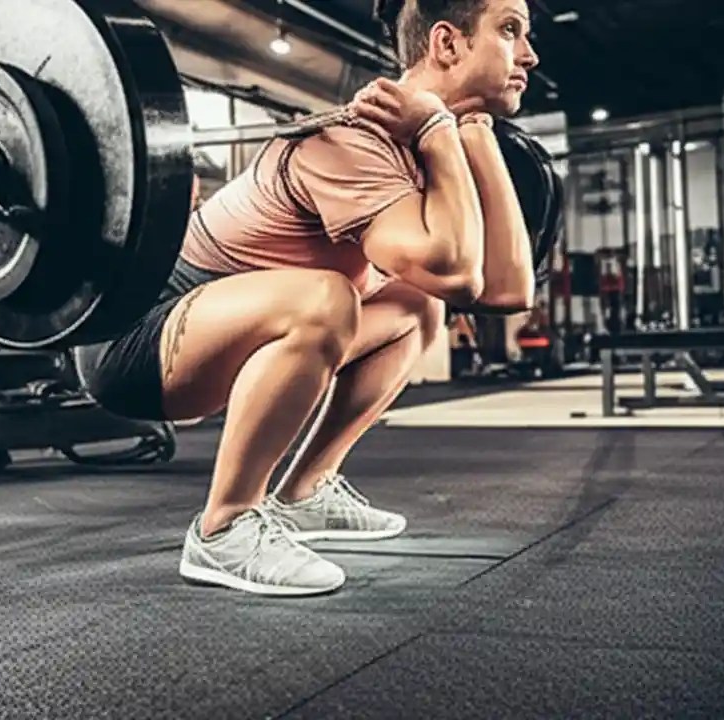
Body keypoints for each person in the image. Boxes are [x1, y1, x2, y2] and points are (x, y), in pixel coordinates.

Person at [82, 0, 541, 596]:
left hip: (219, 335)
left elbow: (508, 290)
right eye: (510, 31)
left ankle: (305, 491)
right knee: (325, 297)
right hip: (135, 342)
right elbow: (454, 271)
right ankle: (223, 529)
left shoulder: (435, 144)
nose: (529, 55)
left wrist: (468, 130)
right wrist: (438, 129)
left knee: (414, 307)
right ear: (448, 44)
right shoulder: (352, 141)